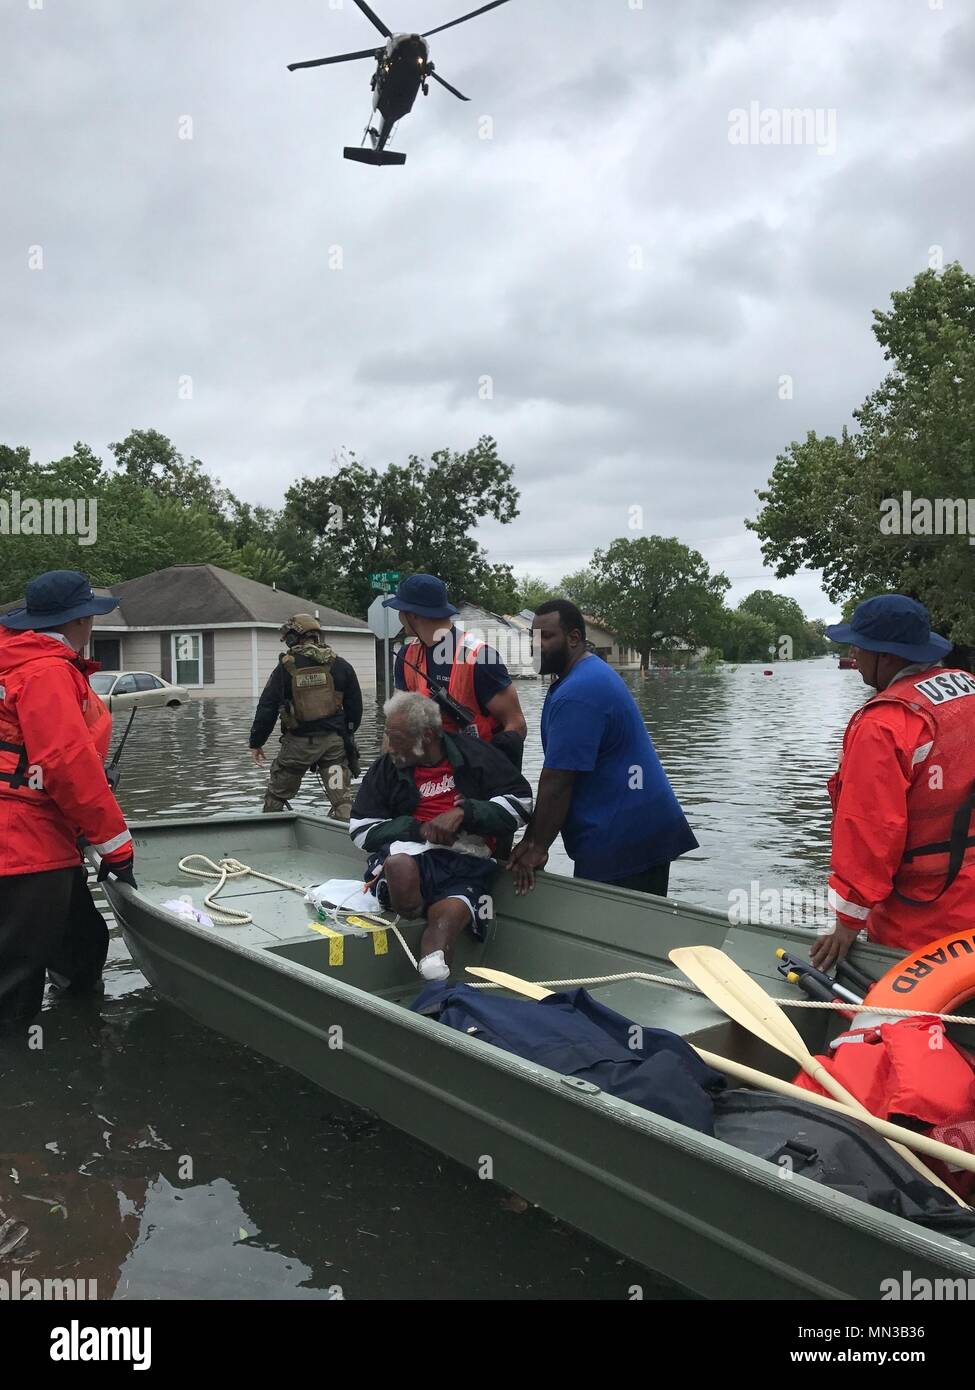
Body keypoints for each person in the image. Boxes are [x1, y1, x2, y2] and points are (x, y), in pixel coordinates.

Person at [0, 570, 135, 1036]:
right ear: (79, 620)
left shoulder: (16, 662)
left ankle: (76, 1037)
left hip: (38, 836)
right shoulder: (46, 671)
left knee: (82, 944)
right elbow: (64, 766)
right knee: (16, 983)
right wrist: (117, 848)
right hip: (24, 846)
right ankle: (24, 1088)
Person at [811, 594, 975, 969]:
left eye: (859, 647)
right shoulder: (968, 686)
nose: (853, 657)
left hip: (922, 919)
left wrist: (846, 923)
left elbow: (869, 830)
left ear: (886, 656)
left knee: (897, 1022)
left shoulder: (883, 725)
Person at [507, 600, 698, 896]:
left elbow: (558, 781)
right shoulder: (584, 675)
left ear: (574, 639)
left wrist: (536, 847)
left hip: (627, 836)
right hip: (631, 829)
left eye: (546, 637)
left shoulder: (578, 692)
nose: (536, 646)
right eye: (532, 637)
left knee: (616, 930)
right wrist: (531, 840)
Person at [349, 691, 533, 980]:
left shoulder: (476, 754)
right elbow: (360, 830)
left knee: (445, 922)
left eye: (397, 737)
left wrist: (467, 813)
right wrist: (417, 828)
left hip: (463, 860)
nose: (389, 746)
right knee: (400, 867)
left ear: (428, 736)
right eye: (387, 735)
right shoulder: (385, 768)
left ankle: (434, 983)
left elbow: (522, 805)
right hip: (408, 854)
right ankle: (403, 896)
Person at [384, 573, 528, 769]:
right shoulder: (405, 656)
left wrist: (486, 774)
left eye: (400, 610)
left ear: (413, 615)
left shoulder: (481, 658)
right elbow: (399, 723)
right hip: (429, 774)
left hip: (476, 771)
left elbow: (517, 725)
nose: (399, 617)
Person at [249, 614, 362, 819]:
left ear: (294, 638)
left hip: (298, 747)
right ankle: (348, 837)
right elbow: (355, 709)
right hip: (334, 746)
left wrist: (256, 742)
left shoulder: (285, 668)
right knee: (342, 799)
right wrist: (346, 733)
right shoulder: (341, 665)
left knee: (277, 795)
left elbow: (267, 708)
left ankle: (268, 833)